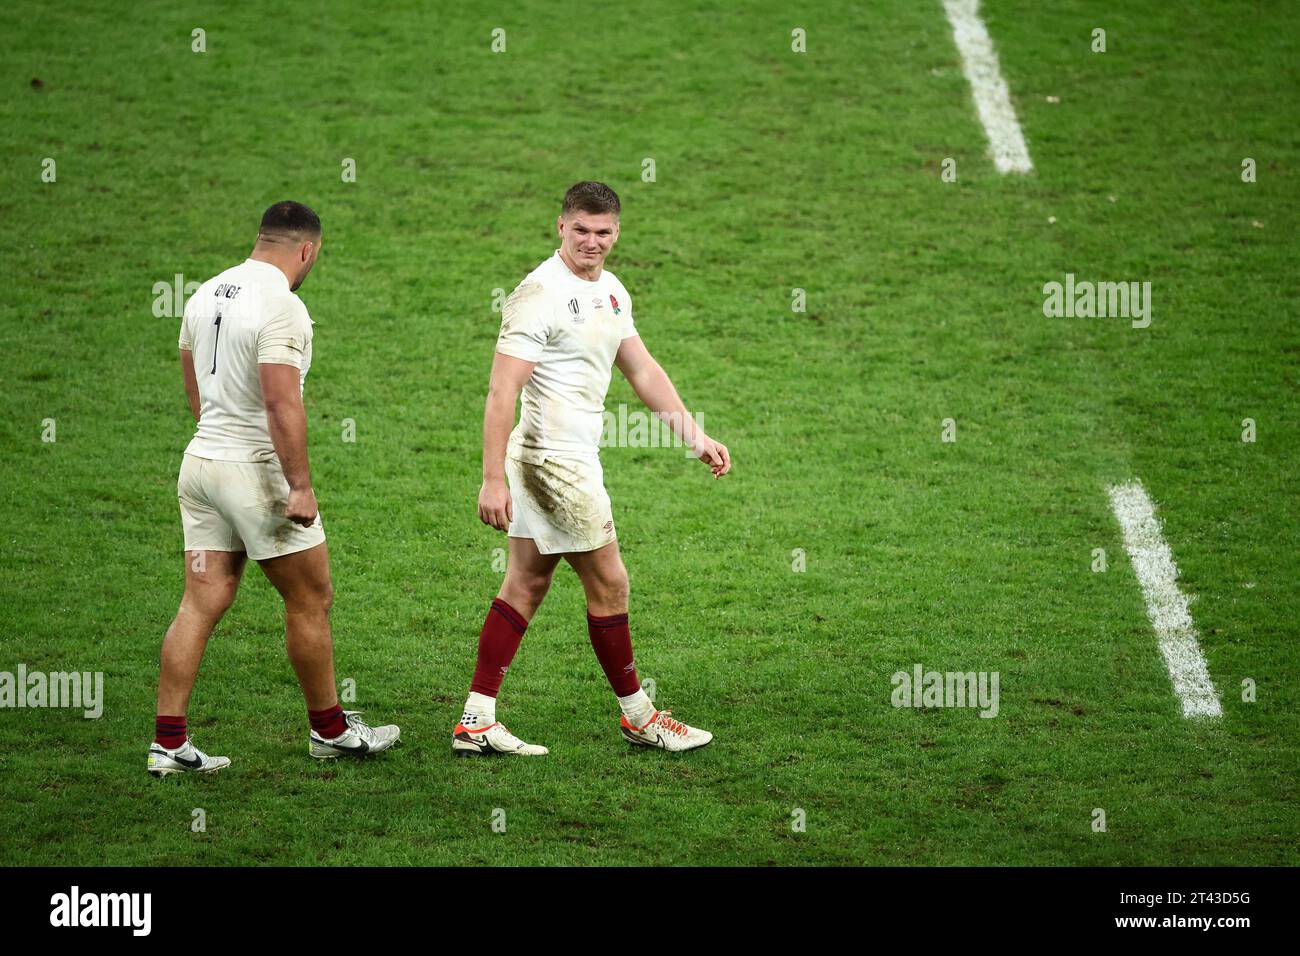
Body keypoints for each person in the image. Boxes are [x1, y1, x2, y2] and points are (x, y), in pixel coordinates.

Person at [453, 182, 731, 757]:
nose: (591, 242)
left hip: (562, 458)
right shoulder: (538, 293)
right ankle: (640, 716)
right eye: (581, 230)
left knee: (526, 582)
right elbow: (502, 388)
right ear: (561, 227)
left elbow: (643, 369)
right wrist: (491, 478)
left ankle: (477, 719)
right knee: (611, 583)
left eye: (603, 232)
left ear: (617, 234)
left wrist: (694, 435)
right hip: (554, 463)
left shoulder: (610, 291)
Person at [150, 201, 399, 776]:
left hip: (202, 463)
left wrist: (220, 442)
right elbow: (280, 400)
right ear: (307, 250)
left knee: (200, 600)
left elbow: (195, 388)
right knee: (311, 598)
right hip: (255, 471)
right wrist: (301, 486)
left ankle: (168, 742)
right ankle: (330, 731)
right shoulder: (284, 307)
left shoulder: (204, 292)